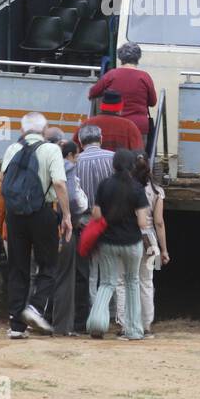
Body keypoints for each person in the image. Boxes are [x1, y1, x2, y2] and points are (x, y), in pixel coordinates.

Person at [0, 112, 70, 339]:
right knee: (48, 265)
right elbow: (59, 183)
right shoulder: (51, 150)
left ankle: (16, 327)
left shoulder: (12, 149)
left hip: (15, 215)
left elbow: (2, 183)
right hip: (42, 214)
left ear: (22, 131)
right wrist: (66, 214)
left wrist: (0, 220)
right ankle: (35, 307)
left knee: (18, 268)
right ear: (45, 129)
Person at [86, 149, 153, 341]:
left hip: (108, 242)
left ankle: (96, 326)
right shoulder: (137, 189)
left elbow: (96, 215)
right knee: (132, 282)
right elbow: (142, 222)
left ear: (113, 165)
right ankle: (134, 330)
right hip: (132, 243)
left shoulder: (104, 185)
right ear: (132, 166)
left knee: (107, 283)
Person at [116, 154, 169, 335]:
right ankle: (146, 325)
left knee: (122, 281)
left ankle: (124, 324)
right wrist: (164, 250)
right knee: (146, 281)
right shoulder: (157, 191)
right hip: (150, 242)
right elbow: (159, 222)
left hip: (126, 238)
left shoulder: (124, 189)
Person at [72, 124, 114, 328]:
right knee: (110, 271)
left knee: (88, 271)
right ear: (101, 138)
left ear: (80, 142)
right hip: (109, 222)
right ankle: (110, 314)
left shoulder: (75, 161)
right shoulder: (113, 158)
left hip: (84, 223)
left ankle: (91, 315)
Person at [49, 140, 89, 335]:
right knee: (65, 277)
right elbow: (73, 198)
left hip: (42, 224)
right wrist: (72, 216)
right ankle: (62, 327)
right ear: (72, 155)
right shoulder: (68, 168)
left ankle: (42, 319)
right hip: (64, 227)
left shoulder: (44, 164)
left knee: (45, 274)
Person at [88, 43, 157, 143]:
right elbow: (153, 102)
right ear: (138, 58)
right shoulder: (144, 77)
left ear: (120, 58)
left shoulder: (112, 75)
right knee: (138, 156)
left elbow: (92, 92)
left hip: (114, 126)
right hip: (138, 126)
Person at [74, 90, 144, 152]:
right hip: (119, 166)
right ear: (120, 108)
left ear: (101, 106)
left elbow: (73, 149)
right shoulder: (129, 126)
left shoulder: (87, 124)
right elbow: (138, 152)